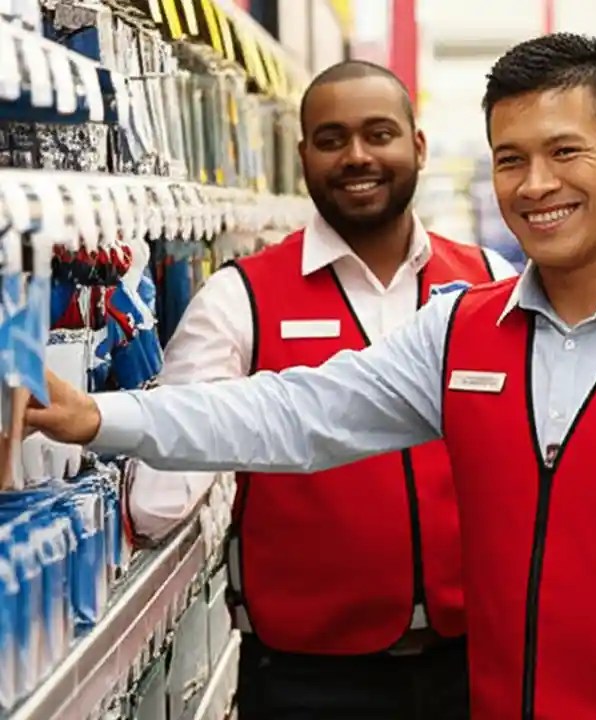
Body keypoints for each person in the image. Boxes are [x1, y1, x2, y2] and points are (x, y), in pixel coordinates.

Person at [28, 33, 596, 720]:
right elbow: (295, 412)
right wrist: (100, 417)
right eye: (510, 159)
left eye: (565, 152)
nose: (535, 185)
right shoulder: (465, 331)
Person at [128, 60, 516, 719]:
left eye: (379, 134)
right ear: (304, 155)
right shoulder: (240, 298)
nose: (357, 156)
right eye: (332, 140)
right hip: (308, 683)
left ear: (417, 146)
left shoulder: (488, 283)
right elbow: (157, 502)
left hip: (471, 668)